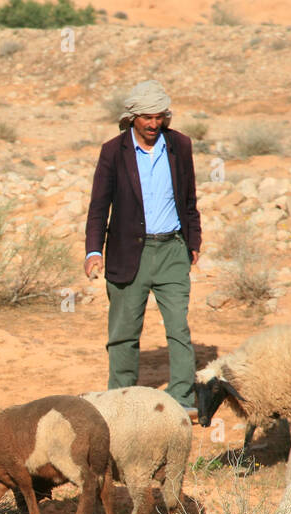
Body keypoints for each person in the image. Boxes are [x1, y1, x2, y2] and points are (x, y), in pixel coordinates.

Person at [85, 79, 201, 419]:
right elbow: (98, 206)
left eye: (159, 117)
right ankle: (119, 402)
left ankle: (182, 400)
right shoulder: (113, 151)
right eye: (146, 118)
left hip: (172, 250)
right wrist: (94, 250)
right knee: (123, 332)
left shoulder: (180, 145)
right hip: (126, 253)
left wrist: (193, 241)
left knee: (178, 328)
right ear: (132, 117)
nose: (153, 125)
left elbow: (189, 198)